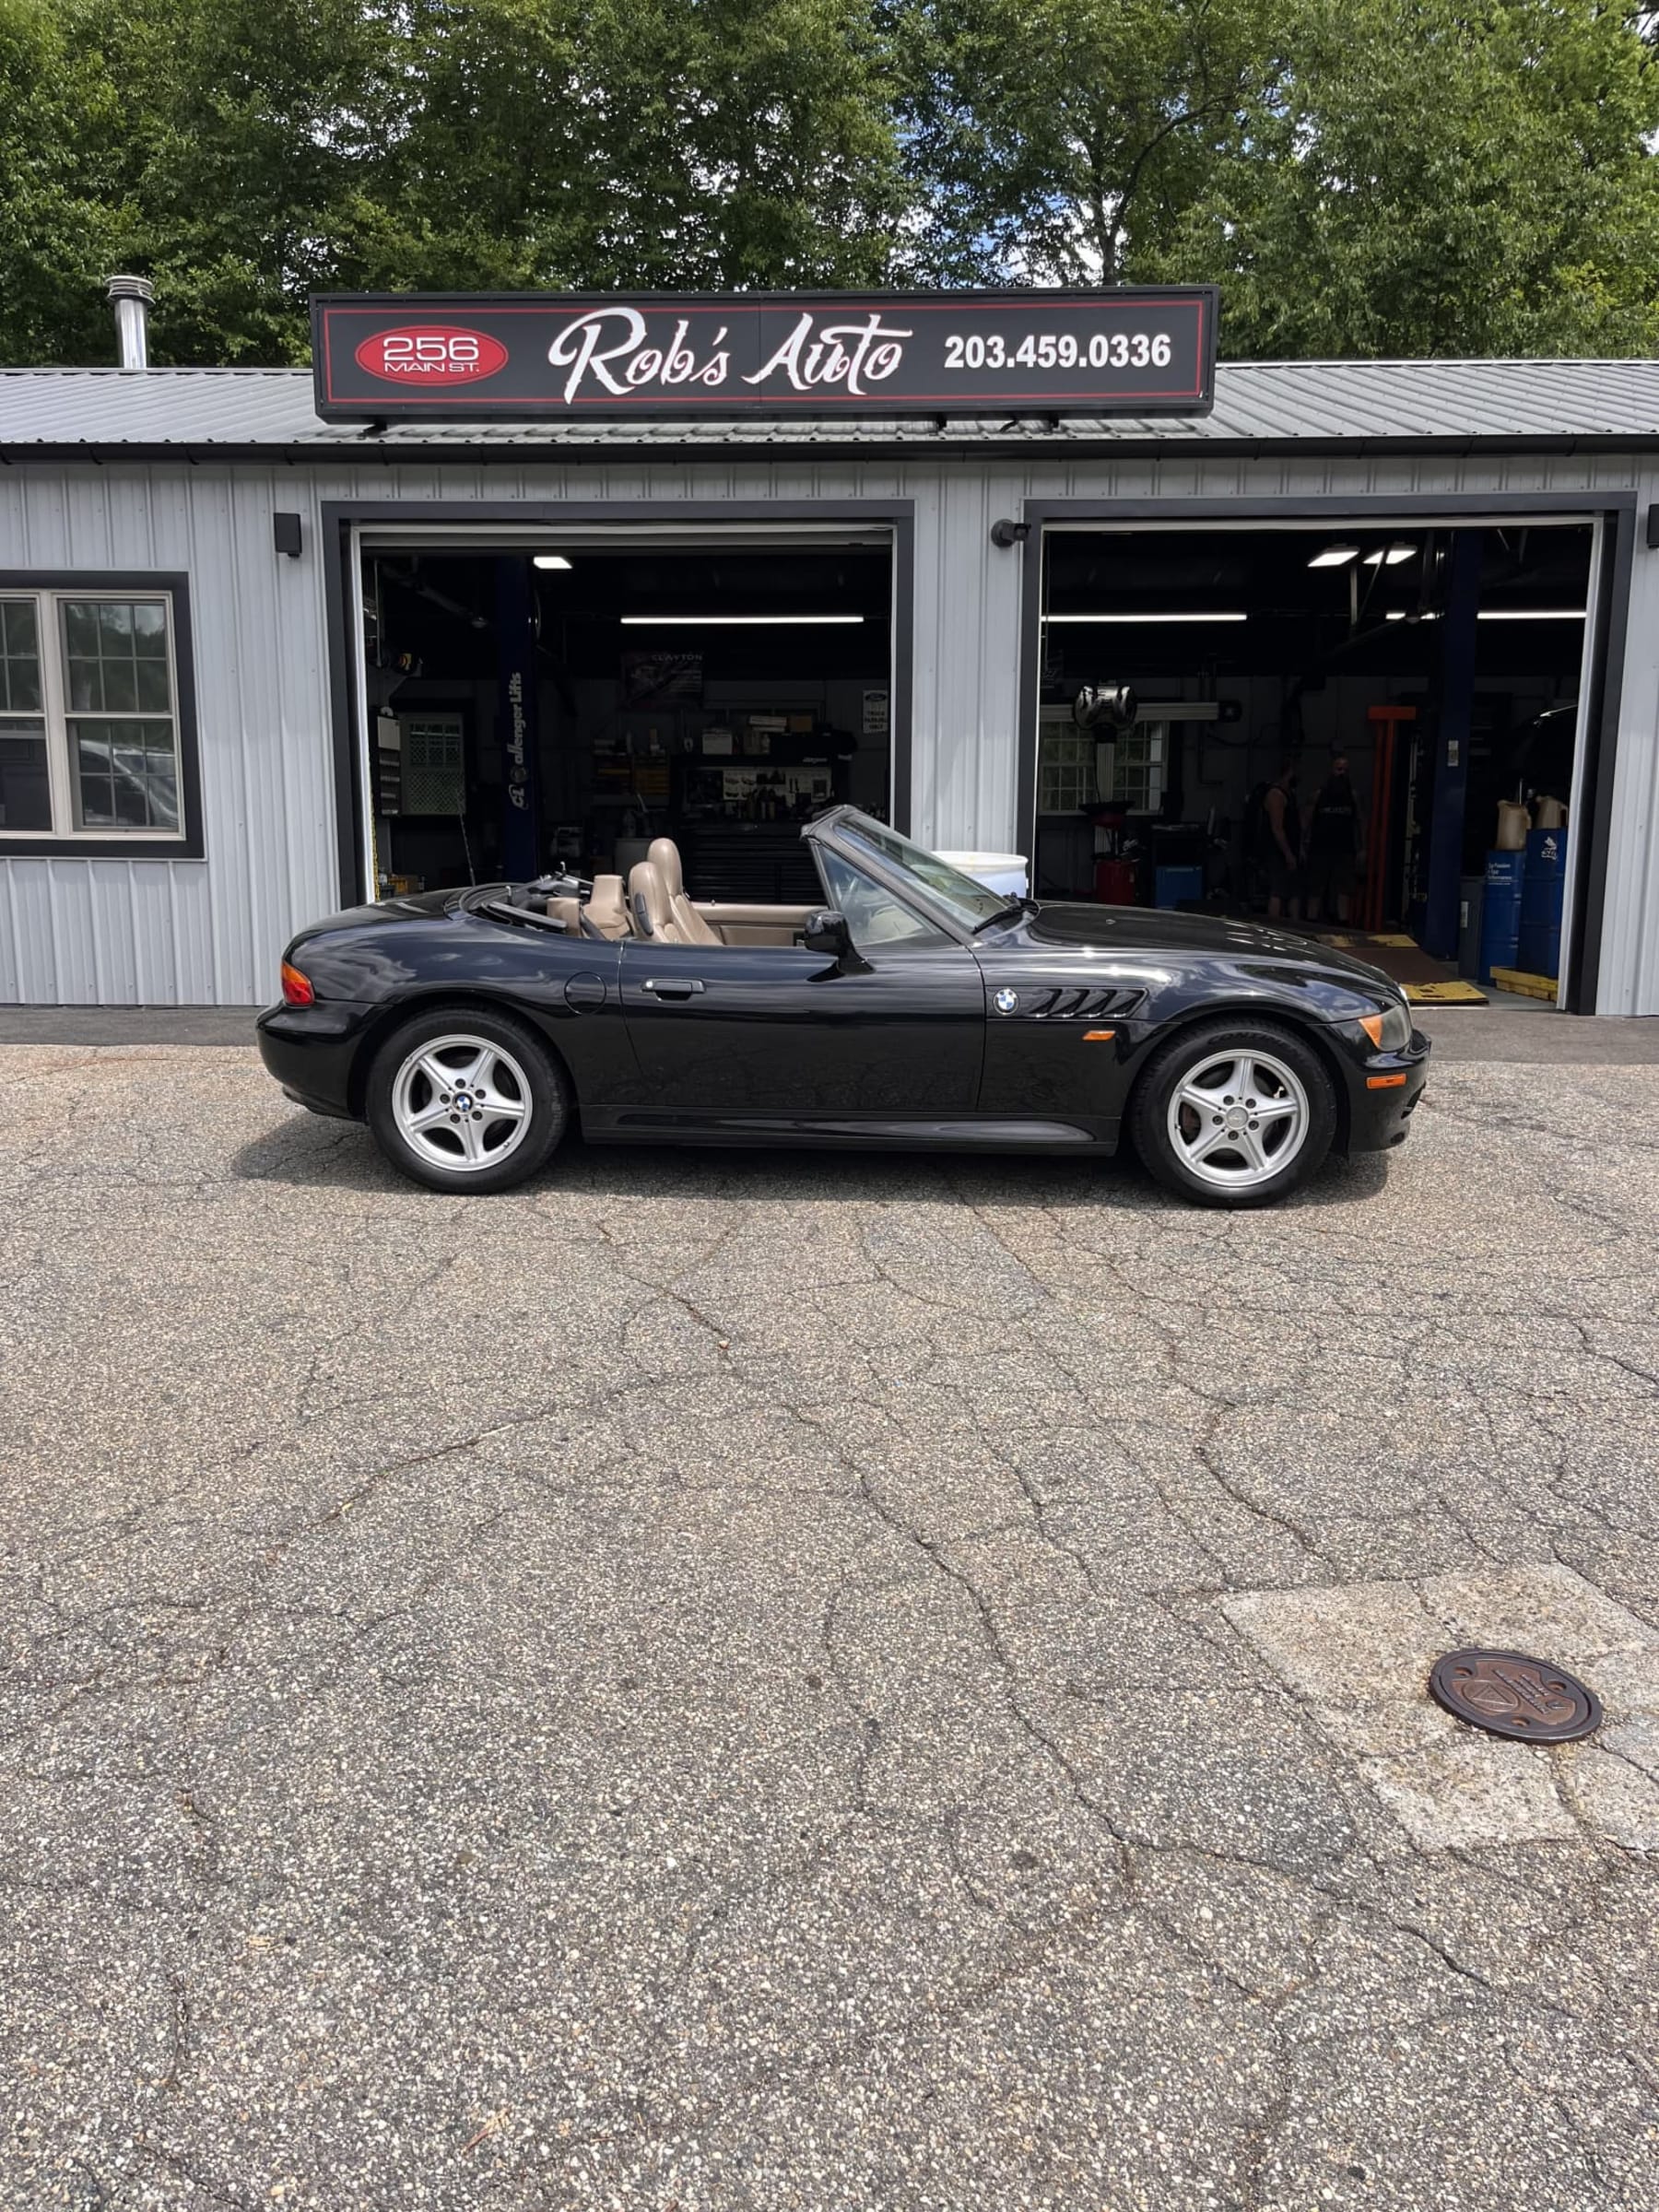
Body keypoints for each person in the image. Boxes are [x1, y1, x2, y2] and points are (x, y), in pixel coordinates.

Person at [1304, 752, 1362, 924]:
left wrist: (1362, 848)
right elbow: (1306, 820)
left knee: (1344, 889)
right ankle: (1311, 922)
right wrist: (1302, 843)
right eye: (1339, 769)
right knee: (1315, 888)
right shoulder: (1318, 795)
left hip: (1344, 849)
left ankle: (1342, 922)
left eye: (1345, 770)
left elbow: (1361, 821)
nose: (1342, 773)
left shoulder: (1353, 796)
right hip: (1319, 848)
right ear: (1331, 771)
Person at [1262, 760, 1301, 920]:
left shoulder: (1290, 794)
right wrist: (1287, 854)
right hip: (1277, 852)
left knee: (1293, 891)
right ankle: (1274, 928)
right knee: (1278, 891)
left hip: (1291, 848)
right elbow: (1277, 828)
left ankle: (1296, 927)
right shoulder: (1275, 795)